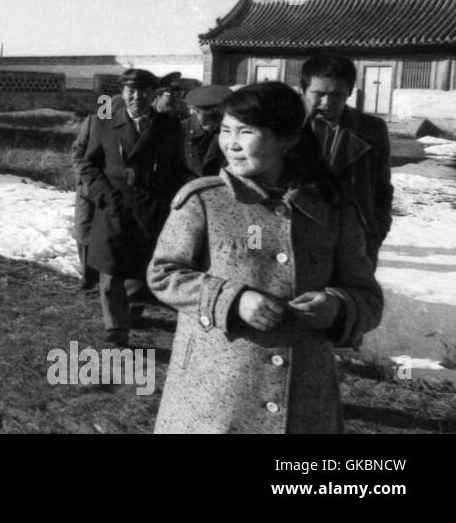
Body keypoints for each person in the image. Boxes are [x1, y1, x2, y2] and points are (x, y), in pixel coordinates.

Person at [148, 82, 383, 433]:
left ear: (287, 139)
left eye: (246, 132)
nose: (232, 144)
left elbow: (368, 297)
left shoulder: (333, 209)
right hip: (215, 390)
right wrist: (232, 299)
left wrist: (337, 306)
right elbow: (164, 274)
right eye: (226, 131)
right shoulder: (204, 201)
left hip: (304, 394)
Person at [79, 69, 190, 347]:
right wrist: (104, 196)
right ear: (122, 93)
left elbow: (178, 168)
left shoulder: (168, 126)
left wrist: (173, 199)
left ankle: (133, 310)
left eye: (143, 92)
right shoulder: (105, 122)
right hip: (114, 204)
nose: (136, 97)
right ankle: (115, 327)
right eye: (131, 91)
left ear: (153, 94)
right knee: (111, 266)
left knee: (142, 264)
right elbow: (89, 164)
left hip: (151, 206)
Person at [299, 54, 393, 263]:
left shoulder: (372, 129)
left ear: (350, 92)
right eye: (319, 93)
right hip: (294, 240)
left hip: (354, 242)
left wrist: (376, 231)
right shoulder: (282, 127)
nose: (327, 102)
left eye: (337, 95)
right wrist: (255, 245)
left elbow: (382, 187)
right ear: (303, 90)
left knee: (350, 295)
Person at [70, 95, 123, 291]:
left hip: (113, 188)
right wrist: (82, 178)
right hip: (88, 186)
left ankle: (108, 278)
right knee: (84, 230)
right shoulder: (93, 122)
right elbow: (77, 152)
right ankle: (88, 278)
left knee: (110, 231)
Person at [182, 84, 229, 178]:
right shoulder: (181, 130)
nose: (213, 123)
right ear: (195, 111)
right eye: (207, 115)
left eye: (217, 116)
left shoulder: (228, 132)